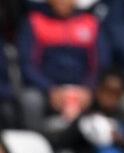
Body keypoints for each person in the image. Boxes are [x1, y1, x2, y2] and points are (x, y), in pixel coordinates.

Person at [17, 0, 101, 130]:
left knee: (107, 97)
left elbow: (98, 64)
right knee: (31, 100)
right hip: (46, 89)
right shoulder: (35, 21)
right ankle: (36, 140)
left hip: (81, 89)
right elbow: (27, 64)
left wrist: (88, 88)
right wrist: (50, 88)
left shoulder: (90, 23)